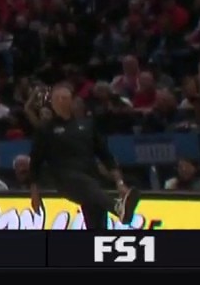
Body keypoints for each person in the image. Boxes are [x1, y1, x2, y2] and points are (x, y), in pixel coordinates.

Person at [28, 84, 141, 231]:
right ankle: (117, 207)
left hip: (91, 179)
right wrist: (34, 192)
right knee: (83, 183)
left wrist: (119, 182)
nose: (61, 101)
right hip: (64, 179)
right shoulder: (45, 129)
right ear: (53, 103)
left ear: (71, 101)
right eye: (57, 99)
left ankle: (99, 248)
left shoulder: (87, 124)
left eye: (65, 98)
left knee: (96, 220)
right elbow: (35, 161)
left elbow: (105, 155)